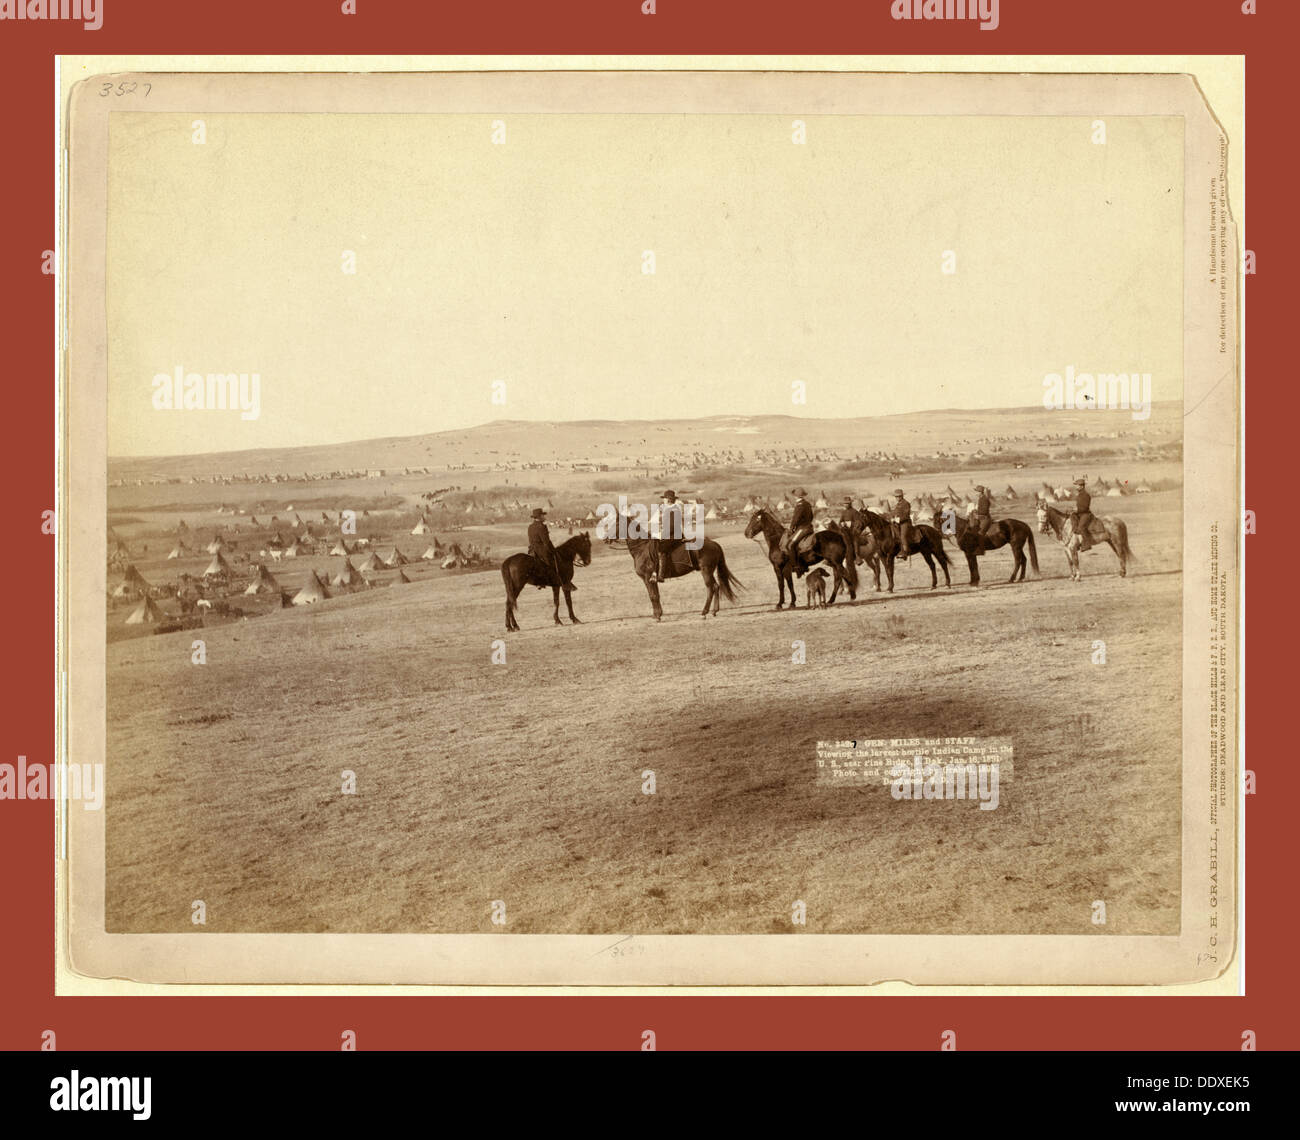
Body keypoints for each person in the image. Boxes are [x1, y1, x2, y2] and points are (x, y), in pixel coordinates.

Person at [651, 490, 685, 582]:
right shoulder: (668, 509)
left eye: (665, 498)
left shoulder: (674, 510)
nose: (664, 500)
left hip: (674, 535)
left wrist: (661, 535)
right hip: (669, 534)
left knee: (661, 550)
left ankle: (661, 575)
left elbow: (671, 527)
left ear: (669, 499)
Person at [527, 507, 562, 587]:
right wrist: (553, 551)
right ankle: (554, 580)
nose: (544, 517)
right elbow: (546, 542)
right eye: (543, 515)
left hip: (532, 550)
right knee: (553, 562)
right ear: (539, 517)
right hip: (541, 550)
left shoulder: (530, 526)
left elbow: (530, 540)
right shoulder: (541, 526)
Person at [781, 488, 814, 562]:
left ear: (796, 496)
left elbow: (796, 519)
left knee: (790, 545)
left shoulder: (800, 505)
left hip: (802, 529)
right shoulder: (807, 504)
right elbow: (812, 516)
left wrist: (791, 528)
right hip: (809, 527)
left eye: (794, 495)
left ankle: (795, 565)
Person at [1070, 477, 1093, 551]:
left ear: (1082, 486)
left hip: (1086, 514)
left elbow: (1085, 508)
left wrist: (1077, 509)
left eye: (1077, 485)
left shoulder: (1086, 495)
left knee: (1081, 527)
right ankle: (1077, 542)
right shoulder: (1079, 494)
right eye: (1076, 485)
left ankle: (1087, 544)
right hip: (1080, 513)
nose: (1076, 487)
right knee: (1072, 518)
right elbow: (1080, 506)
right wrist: (1074, 509)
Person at [839, 495, 864, 564]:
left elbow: (858, 522)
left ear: (850, 504)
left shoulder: (854, 511)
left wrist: (851, 523)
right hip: (844, 530)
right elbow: (840, 521)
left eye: (847, 503)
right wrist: (842, 524)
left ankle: (857, 556)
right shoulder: (843, 512)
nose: (846, 505)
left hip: (853, 531)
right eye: (845, 503)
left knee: (855, 540)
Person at [891, 489, 912, 558]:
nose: (897, 498)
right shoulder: (897, 504)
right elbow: (894, 513)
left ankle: (905, 552)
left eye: (899, 496)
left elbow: (906, 515)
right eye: (896, 497)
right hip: (897, 523)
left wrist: (898, 519)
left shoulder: (906, 503)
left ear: (902, 496)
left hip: (905, 522)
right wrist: (891, 517)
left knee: (903, 536)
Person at [973, 484, 994, 553]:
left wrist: (977, 514)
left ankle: (981, 549)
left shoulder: (984, 499)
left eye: (976, 492)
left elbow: (984, 511)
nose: (975, 493)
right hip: (981, 518)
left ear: (980, 492)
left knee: (980, 533)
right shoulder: (980, 498)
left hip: (985, 519)